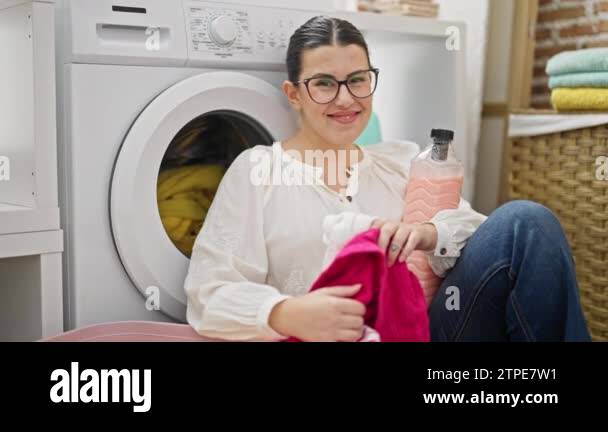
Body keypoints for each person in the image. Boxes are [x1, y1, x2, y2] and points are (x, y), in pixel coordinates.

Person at [183, 16, 591, 342]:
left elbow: (478, 231)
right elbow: (209, 291)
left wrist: (428, 233)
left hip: (425, 331)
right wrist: (288, 313)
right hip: (331, 336)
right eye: (324, 83)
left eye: (357, 80)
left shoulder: (397, 161)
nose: (345, 99)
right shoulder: (259, 171)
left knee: (526, 221)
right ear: (294, 94)